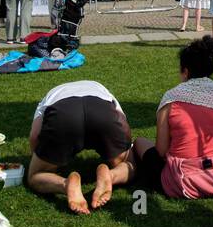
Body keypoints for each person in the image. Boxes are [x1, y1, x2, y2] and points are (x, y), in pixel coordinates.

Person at [132, 36, 213, 199]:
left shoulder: (171, 98)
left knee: (140, 142)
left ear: (185, 71)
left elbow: (162, 150)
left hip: (184, 178)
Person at [27, 80, 134, 213]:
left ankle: (66, 184)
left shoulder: (50, 95)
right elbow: (123, 124)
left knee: (35, 175)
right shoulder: (102, 90)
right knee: (128, 164)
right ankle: (110, 176)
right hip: (101, 111)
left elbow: (34, 135)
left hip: (63, 115)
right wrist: (126, 147)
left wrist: (40, 158)